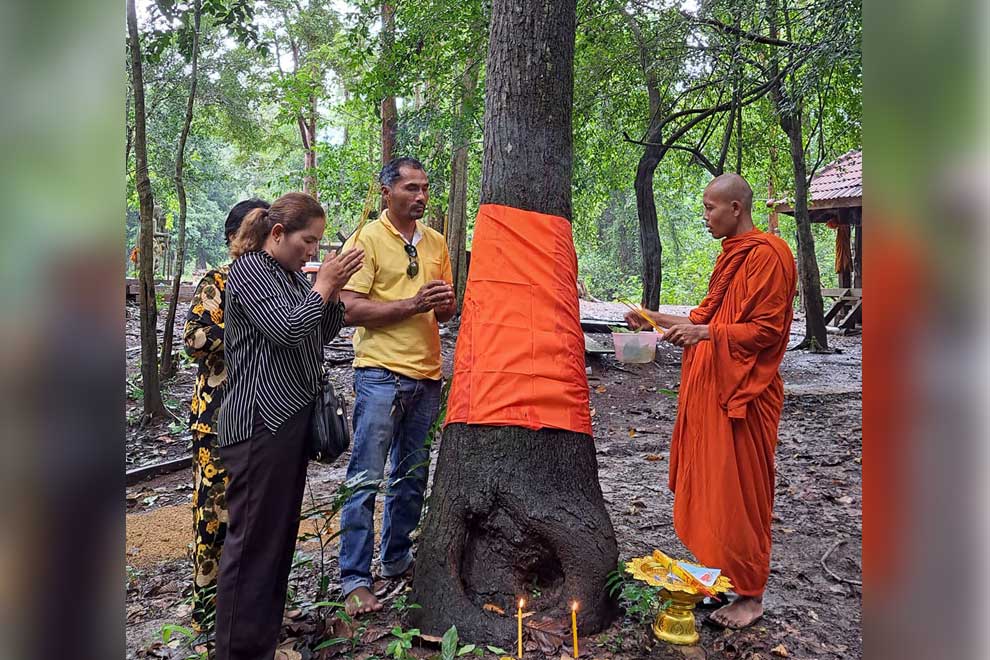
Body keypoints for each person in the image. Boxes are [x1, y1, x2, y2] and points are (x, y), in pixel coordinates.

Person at [625, 173, 797, 630]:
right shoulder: (730, 259)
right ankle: (721, 579)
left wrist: (704, 333)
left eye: (709, 208)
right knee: (714, 490)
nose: (704, 217)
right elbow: (705, 316)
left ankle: (751, 595)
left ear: (736, 209)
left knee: (742, 494)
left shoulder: (770, 255)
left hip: (744, 393)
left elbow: (767, 331)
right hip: (711, 390)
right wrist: (650, 318)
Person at [213, 192, 364, 660]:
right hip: (259, 422)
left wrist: (333, 288)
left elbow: (319, 329)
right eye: (307, 241)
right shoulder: (250, 272)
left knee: (276, 542)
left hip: (287, 424)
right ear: (277, 234)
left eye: (318, 244)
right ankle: (237, 651)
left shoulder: (290, 276)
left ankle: (260, 642)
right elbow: (286, 328)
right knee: (254, 543)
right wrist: (324, 285)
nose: (313, 252)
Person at [338, 157, 456, 616]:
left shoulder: (437, 242)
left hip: (426, 376)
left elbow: (442, 310)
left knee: (411, 479)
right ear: (387, 192)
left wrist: (442, 305)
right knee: (366, 477)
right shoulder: (366, 240)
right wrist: (411, 304)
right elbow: (348, 307)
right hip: (379, 374)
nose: (421, 196)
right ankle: (353, 578)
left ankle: (397, 559)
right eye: (410, 188)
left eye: (425, 188)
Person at [182, 198, 270, 634]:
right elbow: (195, 338)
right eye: (251, 232)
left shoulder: (278, 280)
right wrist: (248, 324)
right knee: (215, 520)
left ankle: (245, 615)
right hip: (216, 418)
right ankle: (207, 621)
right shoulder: (218, 282)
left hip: (261, 420)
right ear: (233, 237)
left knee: (253, 519)